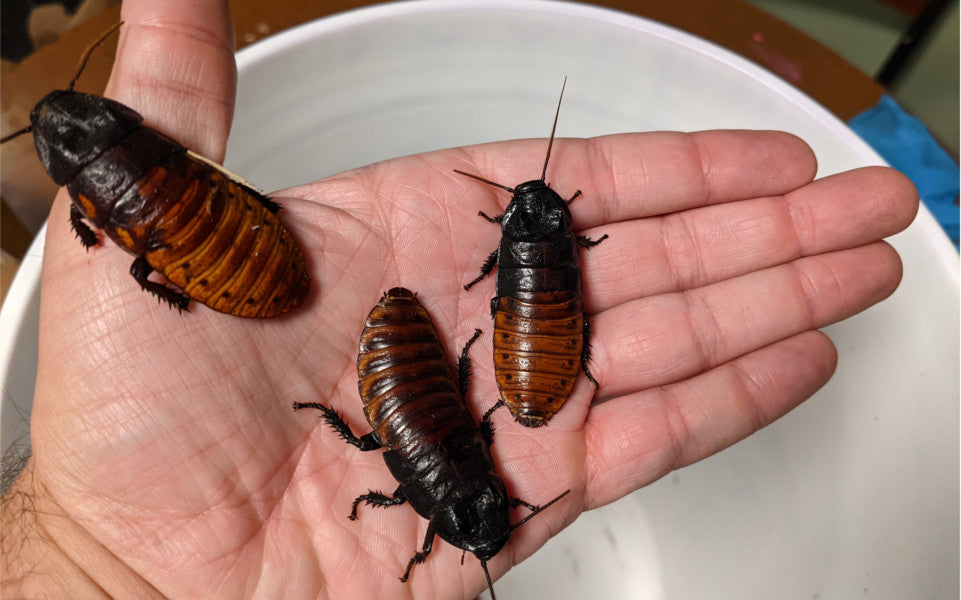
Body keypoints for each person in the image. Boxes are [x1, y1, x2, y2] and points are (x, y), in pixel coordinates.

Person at [0, 0, 918, 598]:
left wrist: (100, 563)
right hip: (410, 380)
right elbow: (414, 429)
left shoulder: (453, 451)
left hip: (408, 370)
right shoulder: (436, 458)